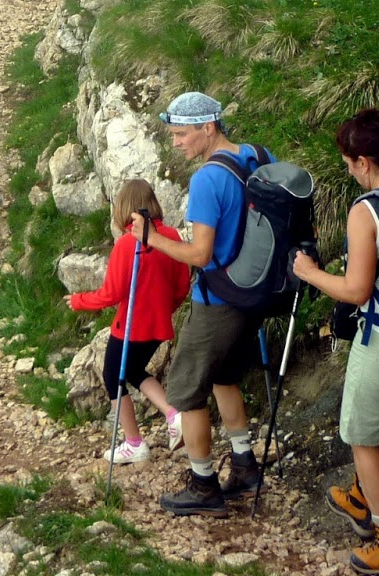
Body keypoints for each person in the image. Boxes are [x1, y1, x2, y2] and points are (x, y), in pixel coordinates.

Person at [292, 108, 379, 575]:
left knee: (362, 439)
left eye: (349, 163)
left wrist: (310, 273)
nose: (349, 171)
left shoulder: (366, 209)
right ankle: (360, 498)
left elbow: (356, 290)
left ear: (364, 162)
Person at [134, 91, 270, 516]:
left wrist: (151, 238)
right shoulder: (256, 156)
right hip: (256, 293)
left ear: (208, 128)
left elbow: (200, 254)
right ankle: (245, 466)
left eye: (181, 134)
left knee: (185, 388)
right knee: (224, 376)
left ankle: (203, 486)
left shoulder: (208, 179)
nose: (176, 143)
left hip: (219, 298)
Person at [68, 178, 192, 463]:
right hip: (159, 325)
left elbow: (111, 293)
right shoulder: (171, 236)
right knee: (134, 370)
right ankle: (173, 415)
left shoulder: (127, 244)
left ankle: (134, 442)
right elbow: (182, 287)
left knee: (114, 376)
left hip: (130, 326)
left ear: (125, 208)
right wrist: (166, 310)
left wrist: (79, 301)